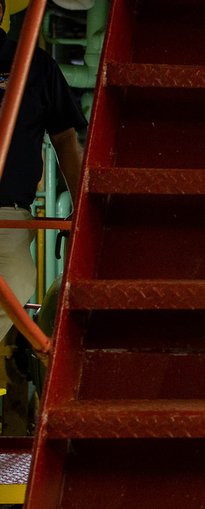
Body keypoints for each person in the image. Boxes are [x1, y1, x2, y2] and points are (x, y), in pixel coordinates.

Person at [0, 6, 87, 340]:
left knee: (18, 278)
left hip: (8, 216)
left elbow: (65, 137)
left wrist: (82, 204)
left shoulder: (31, 64)